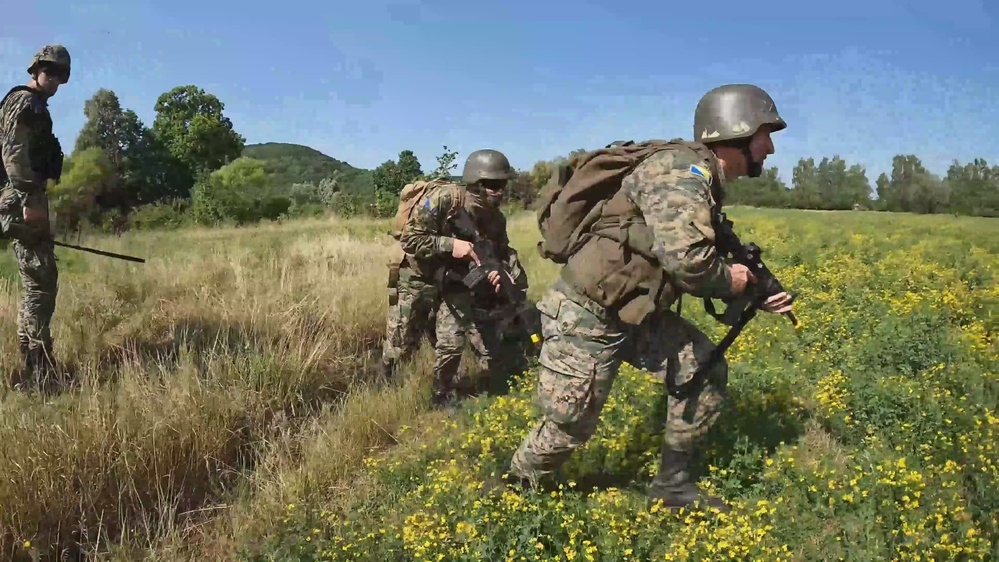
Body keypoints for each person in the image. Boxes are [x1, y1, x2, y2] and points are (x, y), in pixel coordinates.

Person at [506, 84, 795, 512]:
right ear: (738, 130)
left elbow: (701, 248)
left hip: (636, 311)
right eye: (765, 134)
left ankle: (672, 487)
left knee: (702, 369)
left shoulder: (703, 179)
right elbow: (691, 262)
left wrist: (757, 288)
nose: (770, 147)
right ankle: (517, 485)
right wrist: (732, 282)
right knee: (571, 422)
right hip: (589, 311)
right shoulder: (681, 171)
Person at [399, 149, 529, 405]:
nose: (500, 191)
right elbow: (410, 240)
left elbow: (500, 251)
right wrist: (451, 245)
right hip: (421, 276)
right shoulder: (445, 199)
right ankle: (389, 382)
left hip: (457, 280)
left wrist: (499, 271)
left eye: (503, 184)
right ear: (477, 183)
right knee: (402, 342)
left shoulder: (496, 219)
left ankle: (441, 394)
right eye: (494, 185)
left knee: (452, 341)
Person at [0, 45, 71, 389]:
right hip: (21, 199)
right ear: (37, 68)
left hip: (25, 197)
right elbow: (13, 153)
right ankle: (39, 371)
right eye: (50, 71)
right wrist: (29, 199)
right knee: (41, 280)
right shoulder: (25, 101)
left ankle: (34, 363)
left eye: (61, 74)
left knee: (35, 281)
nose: (55, 79)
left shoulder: (35, 104)